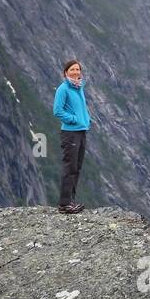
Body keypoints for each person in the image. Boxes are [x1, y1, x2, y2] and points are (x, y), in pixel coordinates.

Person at [52, 59, 91, 213]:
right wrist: (74, 120)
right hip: (70, 133)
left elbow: (80, 107)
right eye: (72, 70)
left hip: (81, 131)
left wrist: (86, 119)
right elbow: (57, 110)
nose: (76, 72)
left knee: (77, 167)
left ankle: (71, 200)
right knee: (70, 167)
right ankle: (64, 204)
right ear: (65, 72)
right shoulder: (63, 89)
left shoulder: (78, 87)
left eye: (77, 69)